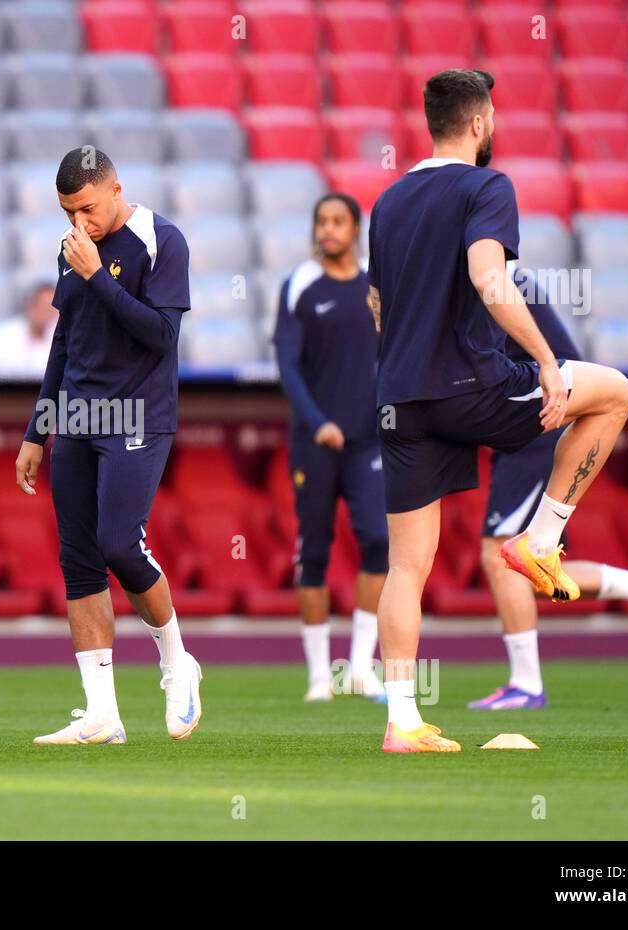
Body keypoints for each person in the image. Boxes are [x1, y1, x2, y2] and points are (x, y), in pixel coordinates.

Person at [367, 69, 628, 752]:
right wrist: (546, 362)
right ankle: (542, 538)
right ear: (480, 123)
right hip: (472, 387)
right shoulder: (488, 186)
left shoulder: (390, 200)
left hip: (400, 400)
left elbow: (377, 306)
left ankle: (402, 723)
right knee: (616, 394)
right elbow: (490, 276)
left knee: (408, 567)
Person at [15, 146, 201, 745]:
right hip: (74, 415)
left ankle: (178, 662)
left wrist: (97, 273)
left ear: (116, 189)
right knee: (78, 561)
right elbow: (63, 341)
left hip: (138, 414)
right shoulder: (72, 249)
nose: (79, 224)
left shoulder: (161, 241)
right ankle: (102, 714)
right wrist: (36, 431)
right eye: (68, 212)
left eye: (88, 209)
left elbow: (161, 337)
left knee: (120, 543)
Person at [470, 264, 628, 710]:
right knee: (536, 572)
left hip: (537, 431)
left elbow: (569, 366)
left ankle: (527, 684)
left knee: (499, 555)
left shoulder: (502, 284)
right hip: (521, 432)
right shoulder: (474, 280)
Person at [272, 192, 387, 704]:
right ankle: (320, 675)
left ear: (356, 229)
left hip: (369, 440)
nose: (329, 230)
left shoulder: (375, 287)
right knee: (313, 552)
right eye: (322, 221)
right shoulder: (299, 285)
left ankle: (361, 667)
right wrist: (318, 423)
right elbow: (288, 366)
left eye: (338, 221)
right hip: (314, 443)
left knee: (379, 540)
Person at [0, 281, 57, 378]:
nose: (49, 314)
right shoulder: (5, 335)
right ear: (30, 307)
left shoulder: (64, 337)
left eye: (53, 310)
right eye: (44, 308)